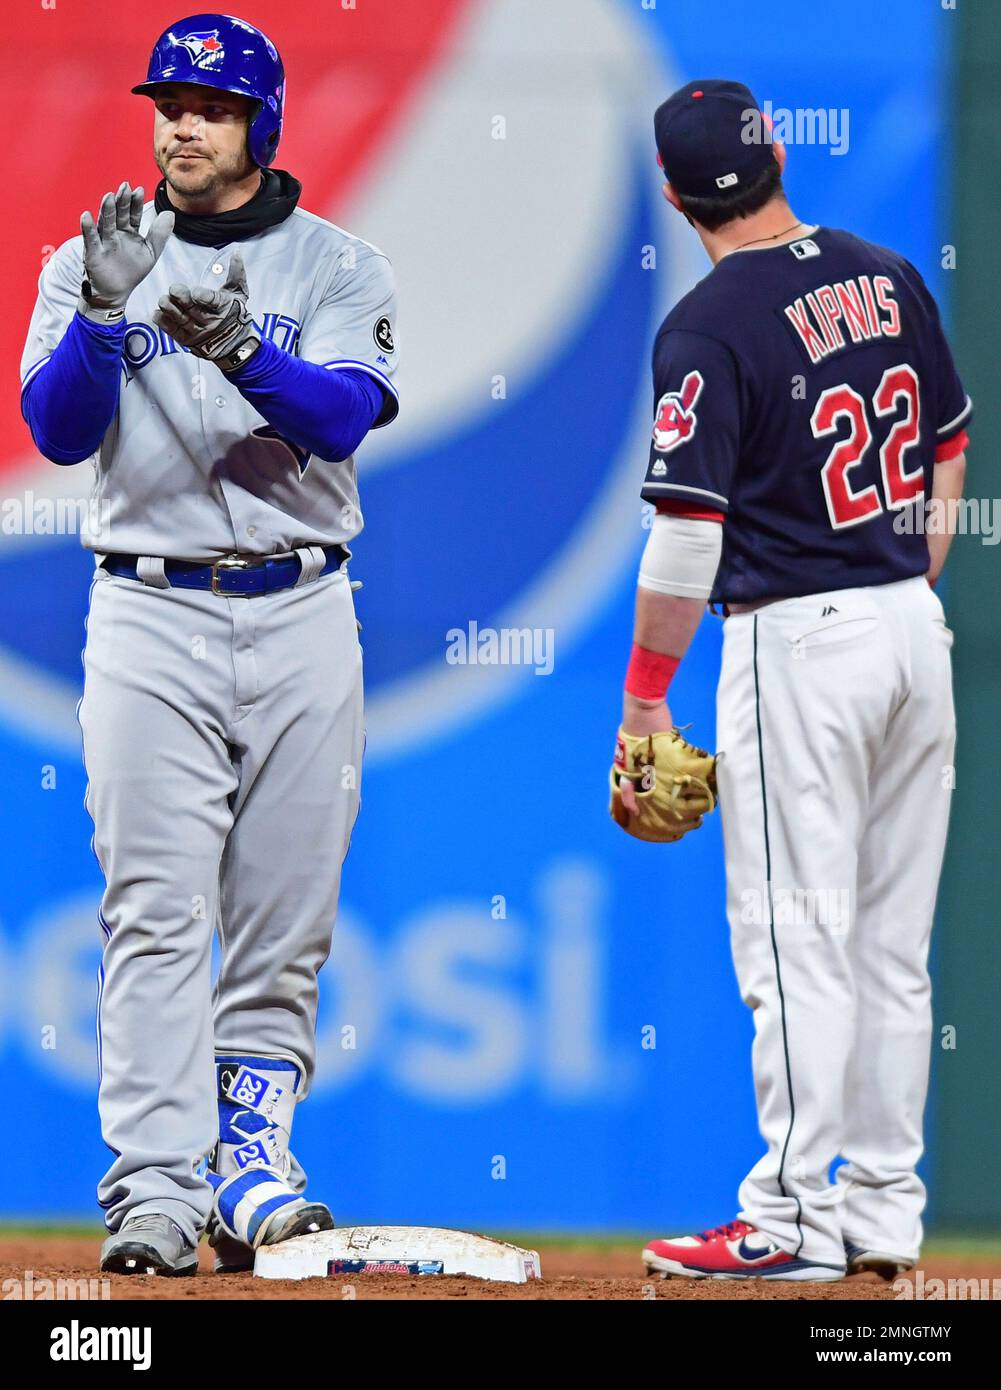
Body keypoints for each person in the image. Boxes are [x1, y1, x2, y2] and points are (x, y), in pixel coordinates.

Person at [19, 14, 399, 1275]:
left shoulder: (339, 265)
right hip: (147, 607)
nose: (181, 122)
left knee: (284, 912)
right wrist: (106, 312)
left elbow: (342, 417)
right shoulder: (96, 257)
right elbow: (60, 430)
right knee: (153, 911)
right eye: (168, 100)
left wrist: (239, 347)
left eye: (212, 104)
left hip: (301, 606)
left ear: (261, 123)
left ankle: (251, 1161)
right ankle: (154, 1190)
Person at [608, 80, 969, 1281]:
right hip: (911, 630)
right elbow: (949, 436)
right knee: (887, 951)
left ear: (670, 190)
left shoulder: (707, 323)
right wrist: (910, 566)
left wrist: (645, 695)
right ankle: (879, 1214)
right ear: (770, 156)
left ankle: (789, 1220)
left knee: (792, 944)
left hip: (797, 640)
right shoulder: (883, 272)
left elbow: (684, 536)